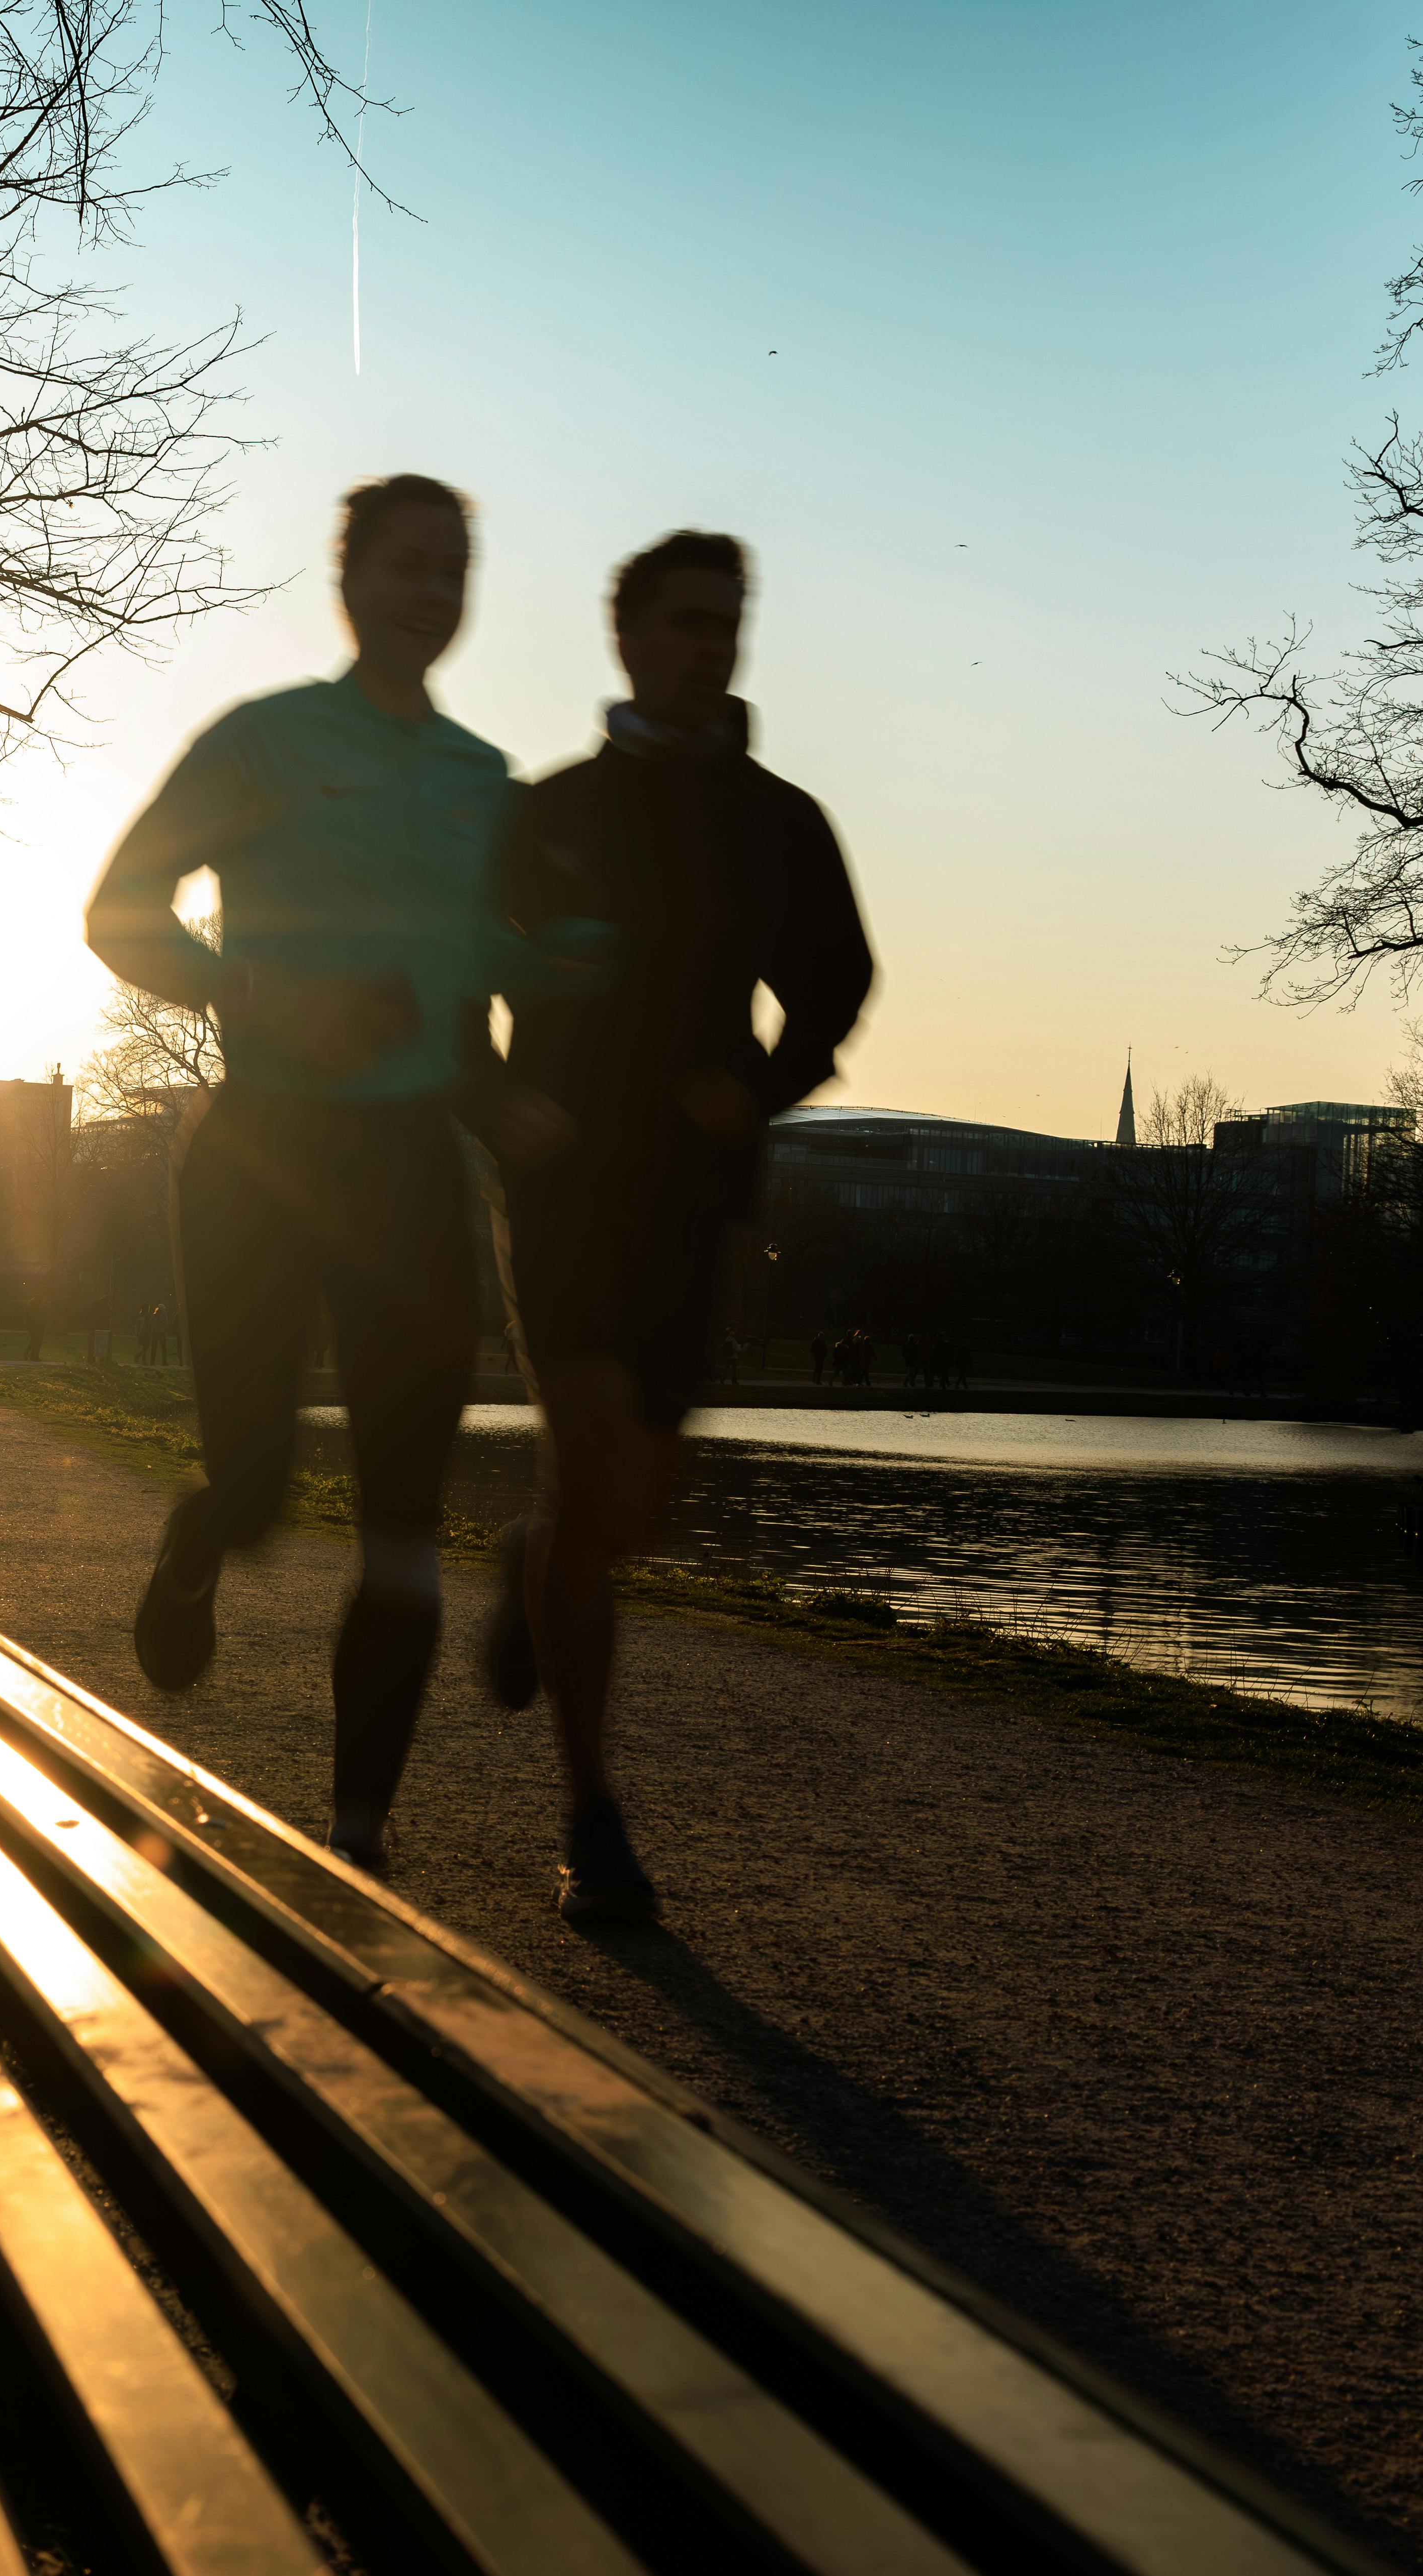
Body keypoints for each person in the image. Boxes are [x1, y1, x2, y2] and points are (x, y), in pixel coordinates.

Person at [87, 472, 577, 1871]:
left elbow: (489, 984)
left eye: (455, 568)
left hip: (410, 1177)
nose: (433, 590)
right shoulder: (264, 745)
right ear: (349, 579)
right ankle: (196, 1553)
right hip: (259, 1158)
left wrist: (538, 1064)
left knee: (405, 1527)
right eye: (407, 565)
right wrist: (261, 996)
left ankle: (360, 1841)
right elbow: (116, 912)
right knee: (250, 1497)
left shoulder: (486, 787)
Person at [483, 529, 876, 1922]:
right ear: (628, 637)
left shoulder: (780, 821)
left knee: (630, 1512)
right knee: (591, 1472)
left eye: (732, 621)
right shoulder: (548, 813)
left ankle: (534, 1563)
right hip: (563, 1187)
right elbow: (458, 961)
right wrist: (491, 1102)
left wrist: (760, 1086)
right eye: (689, 622)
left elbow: (839, 980)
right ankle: (594, 1819)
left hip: (696, 1199)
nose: (715, 644)